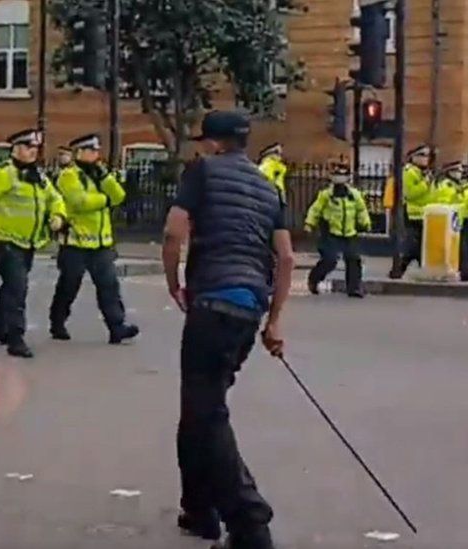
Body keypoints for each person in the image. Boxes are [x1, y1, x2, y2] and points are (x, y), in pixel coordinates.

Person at [162, 111, 293, 548]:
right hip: (249, 307)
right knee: (200, 408)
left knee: (208, 412)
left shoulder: (203, 172)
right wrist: (273, 321)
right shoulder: (266, 186)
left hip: (212, 301)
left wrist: (174, 285)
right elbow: (287, 258)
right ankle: (198, 509)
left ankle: (249, 520)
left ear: (214, 144)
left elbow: (172, 234)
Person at [0, 129, 66, 359]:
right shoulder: (4, 174)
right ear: (15, 149)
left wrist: (58, 215)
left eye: (35, 149)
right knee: (18, 287)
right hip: (6, 240)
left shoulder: (38, 177)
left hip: (29, 242)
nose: (32, 152)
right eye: (28, 147)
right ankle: (15, 338)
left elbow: (55, 198)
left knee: (11, 286)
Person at [48, 133, 139, 344]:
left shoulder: (99, 174)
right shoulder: (69, 176)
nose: (96, 155)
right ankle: (57, 321)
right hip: (75, 242)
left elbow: (119, 197)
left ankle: (117, 326)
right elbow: (80, 202)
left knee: (109, 285)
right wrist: (105, 199)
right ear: (79, 153)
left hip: (101, 243)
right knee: (69, 285)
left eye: (97, 151)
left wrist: (105, 177)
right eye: (92, 151)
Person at [305, 163, 371, 298]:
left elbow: (361, 210)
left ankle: (354, 288)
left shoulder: (354, 195)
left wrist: (365, 223)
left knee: (353, 259)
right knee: (330, 259)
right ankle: (314, 279)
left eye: (343, 175)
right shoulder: (326, 195)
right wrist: (309, 223)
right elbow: (315, 209)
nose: (340, 179)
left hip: (349, 232)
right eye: (337, 175)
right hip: (331, 232)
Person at [389, 145, 433, 279]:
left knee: (422, 244)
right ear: (414, 157)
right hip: (413, 213)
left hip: (425, 213)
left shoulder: (423, 173)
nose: (426, 159)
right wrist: (425, 183)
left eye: (427, 156)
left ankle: (421, 269)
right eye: (422, 155)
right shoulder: (409, 172)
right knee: (414, 244)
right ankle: (400, 268)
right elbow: (410, 193)